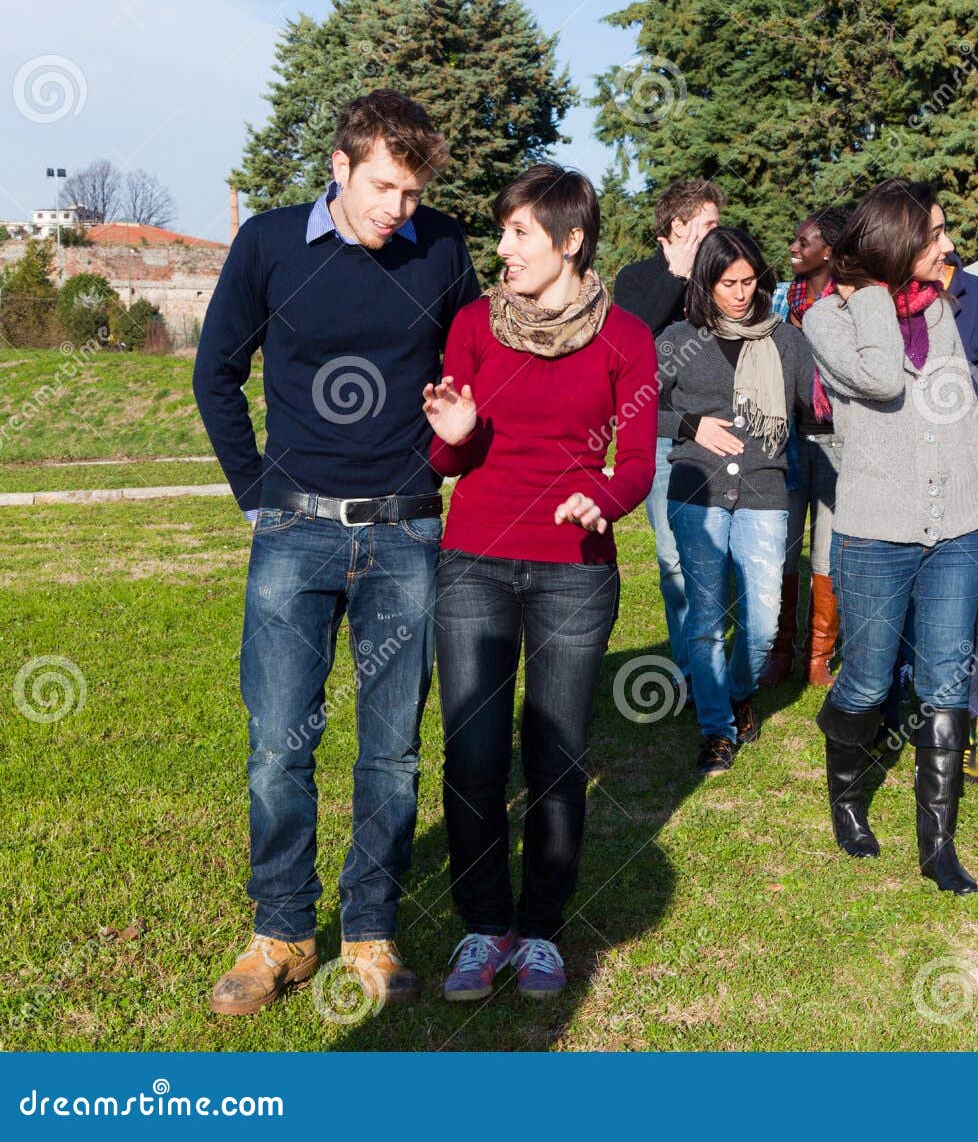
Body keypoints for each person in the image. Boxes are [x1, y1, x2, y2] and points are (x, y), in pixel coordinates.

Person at [193, 90, 480, 1015]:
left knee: (390, 751)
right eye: (384, 187)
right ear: (341, 166)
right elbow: (217, 373)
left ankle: (370, 929)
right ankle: (281, 930)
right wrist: (257, 495)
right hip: (295, 530)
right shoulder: (271, 244)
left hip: (406, 531)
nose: (398, 209)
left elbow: (476, 370)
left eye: (412, 191)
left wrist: (460, 440)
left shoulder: (441, 249)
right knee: (278, 746)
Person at [424, 164, 656, 1000]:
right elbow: (449, 457)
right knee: (474, 751)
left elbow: (635, 464)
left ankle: (545, 931)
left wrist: (601, 497)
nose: (503, 248)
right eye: (503, 231)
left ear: (571, 241)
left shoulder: (627, 336)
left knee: (558, 757)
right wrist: (454, 434)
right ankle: (484, 928)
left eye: (520, 232)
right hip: (476, 559)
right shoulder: (473, 325)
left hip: (576, 575)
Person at [802, 179, 978, 896]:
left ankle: (939, 845)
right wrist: (869, 290)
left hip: (952, 525)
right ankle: (845, 795)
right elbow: (880, 377)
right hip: (874, 532)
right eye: (934, 235)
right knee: (863, 680)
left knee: (946, 675)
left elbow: (962, 414)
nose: (948, 246)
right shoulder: (828, 319)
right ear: (896, 243)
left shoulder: (943, 313)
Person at [880, 196, 978, 781]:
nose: (946, 243)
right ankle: (887, 714)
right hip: (895, 481)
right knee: (891, 603)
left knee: (955, 613)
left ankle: (957, 730)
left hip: (961, 481)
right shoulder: (878, 302)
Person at [658, 226, 814, 775]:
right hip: (696, 490)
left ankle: (735, 691)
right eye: (728, 283)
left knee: (764, 621)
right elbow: (635, 409)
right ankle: (717, 730)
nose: (741, 294)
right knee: (704, 616)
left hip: (765, 490)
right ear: (707, 282)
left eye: (749, 282)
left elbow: (810, 412)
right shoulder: (679, 338)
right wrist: (691, 425)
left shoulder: (786, 341)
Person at [613, 180, 725, 699]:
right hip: (661, 435)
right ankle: (690, 668)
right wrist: (679, 276)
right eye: (707, 226)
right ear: (677, 227)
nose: (716, 235)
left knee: (732, 554)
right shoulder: (634, 279)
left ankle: (729, 661)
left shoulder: (721, 276)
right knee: (674, 558)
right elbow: (632, 334)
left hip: (727, 434)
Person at [761, 206, 851, 688]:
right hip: (789, 438)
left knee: (827, 552)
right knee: (784, 544)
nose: (794, 247)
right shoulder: (780, 300)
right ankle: (781, 649)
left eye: (804, 241)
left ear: (830, 251)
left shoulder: (852, 301)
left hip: (838, 439)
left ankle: (819, 656)